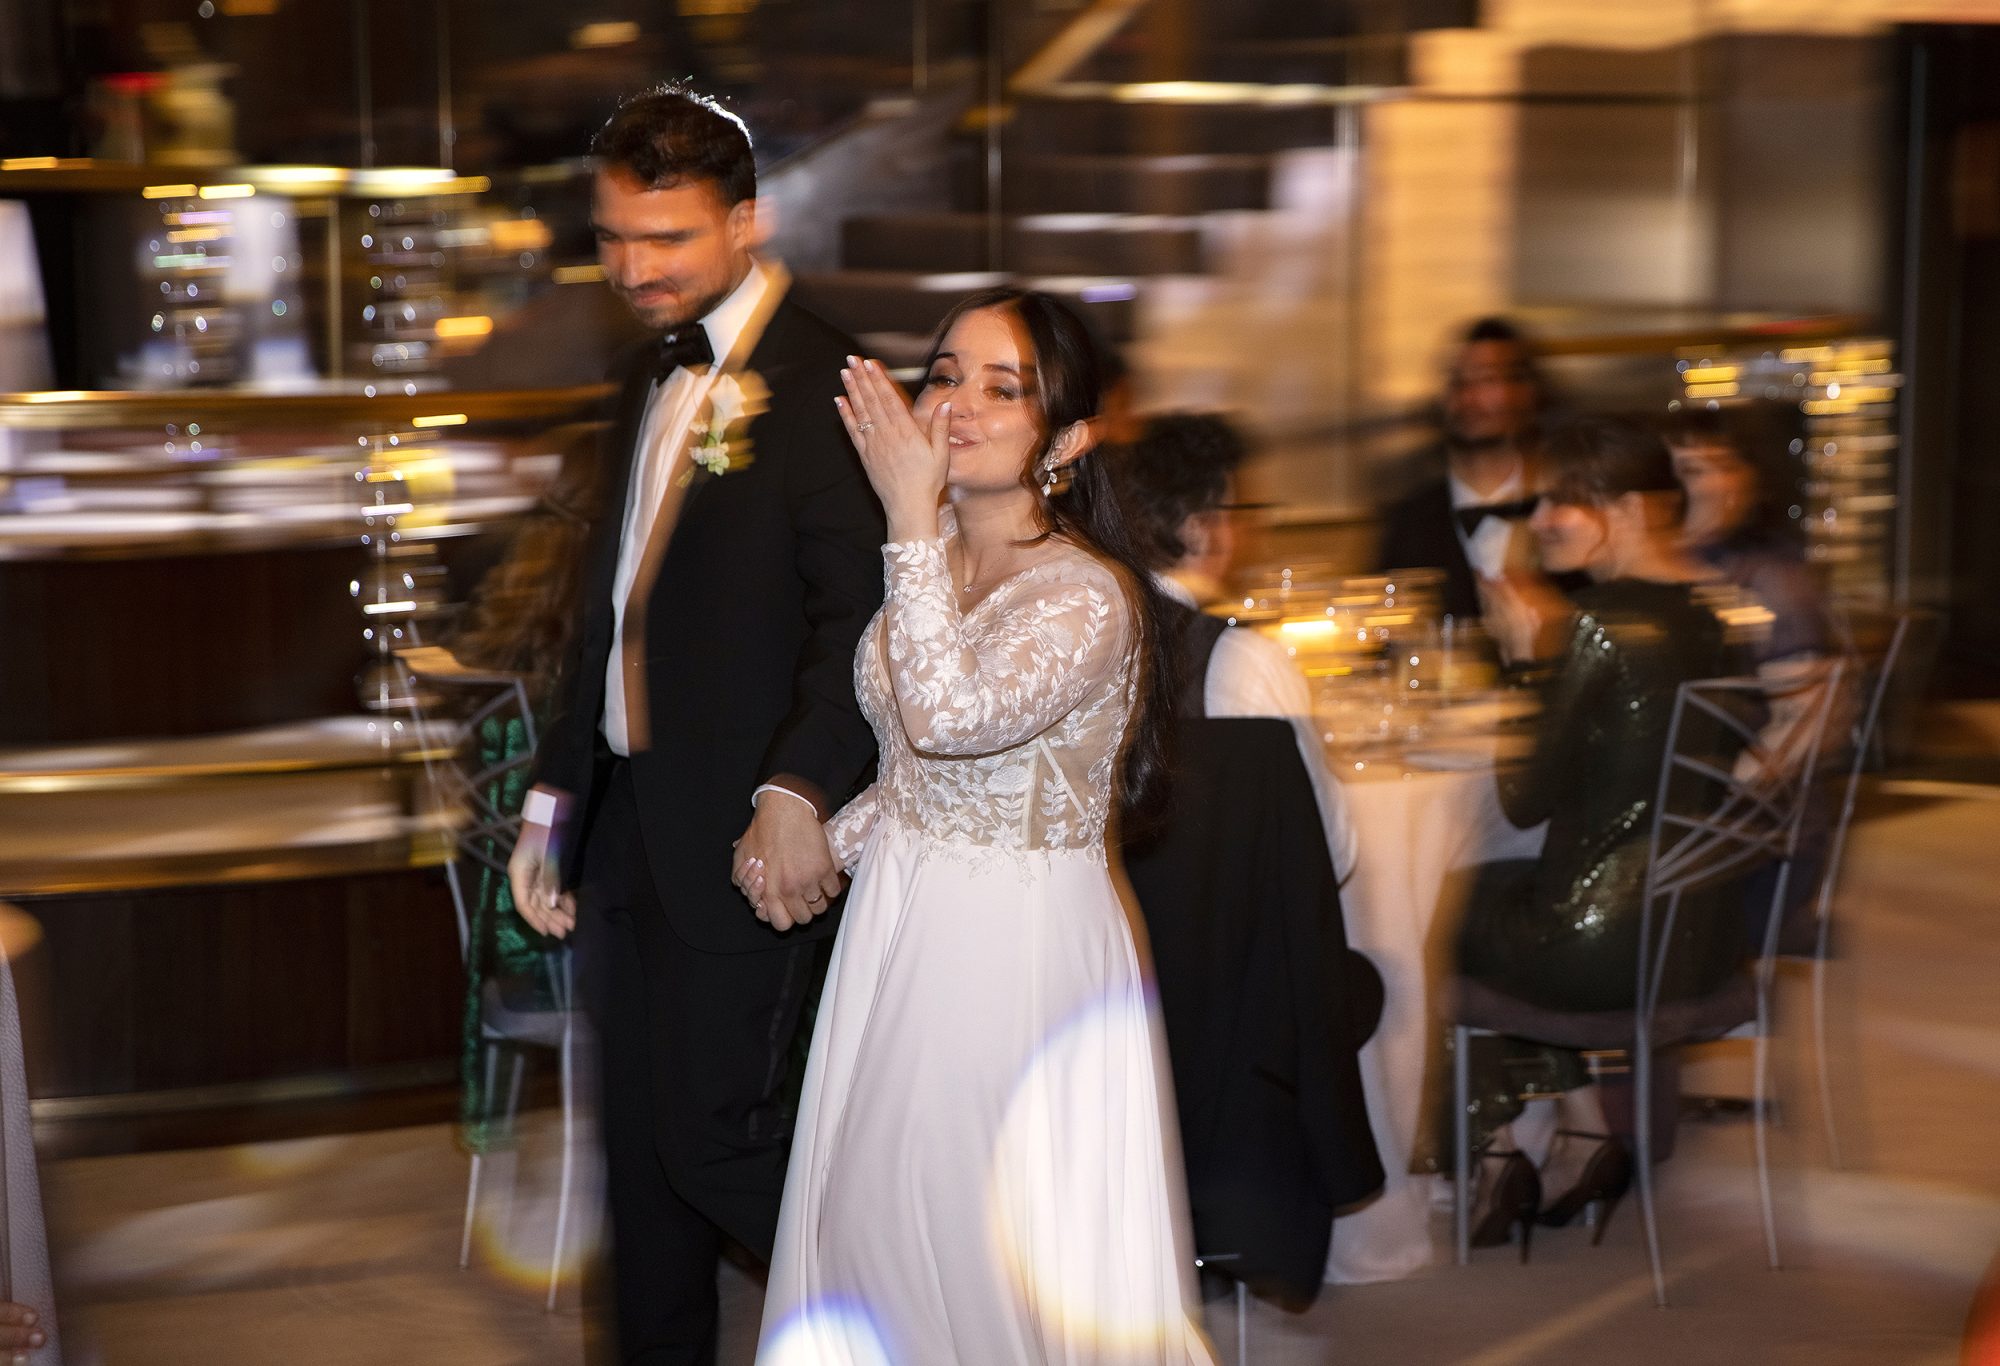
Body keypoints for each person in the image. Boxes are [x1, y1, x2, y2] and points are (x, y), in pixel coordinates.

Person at [746, 288, 1215, 1364]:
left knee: (964, 1228)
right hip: (901, 918)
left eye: (1003, 388)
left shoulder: (1086, 596)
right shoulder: (941, 552)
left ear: (1070, 439)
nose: (956, 405)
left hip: (1010, 942)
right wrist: (818, 843)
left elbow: (949, 721)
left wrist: (907, 520)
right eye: (945, 375)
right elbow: (921, 778)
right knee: (865, 1211)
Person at [506, 85, 886, 1364]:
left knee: (717, 1140)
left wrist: (796, 790)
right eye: (613, 238)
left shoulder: (831, 384)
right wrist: (552, 806)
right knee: (637, 1165)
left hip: (745, 836)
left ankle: (913, 1324)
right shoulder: (642, 374)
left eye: (664, 238)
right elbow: (603, 620)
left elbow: (861, 624)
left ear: (746, 221)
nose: (634, 268)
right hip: (623, 831)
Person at [1438, 416, 1741, 1255]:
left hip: (1602, 943)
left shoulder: (1597, 625)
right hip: (1701, 935)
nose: (1539, 520)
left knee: (1431, 921)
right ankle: (1581, 1127)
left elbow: (1524, 800)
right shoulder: (1714, 617)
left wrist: (1528, 659)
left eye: (1565, 501)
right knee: (1494, 897)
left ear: (1633, 509)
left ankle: (1495, 1149)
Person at [1113, 410, 1355, 878]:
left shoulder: (1087, 636)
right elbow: (1331, 848)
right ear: (1197, 529)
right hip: (1219, 920)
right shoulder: (1242, 659)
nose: (1243, 534)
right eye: (1234, 514)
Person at [1375, 316, 1566, 622]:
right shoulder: (1410, 520)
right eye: (1458, 382)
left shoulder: (1570, 509)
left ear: (1529, 391)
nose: (1469, 398)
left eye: (1488, 380)